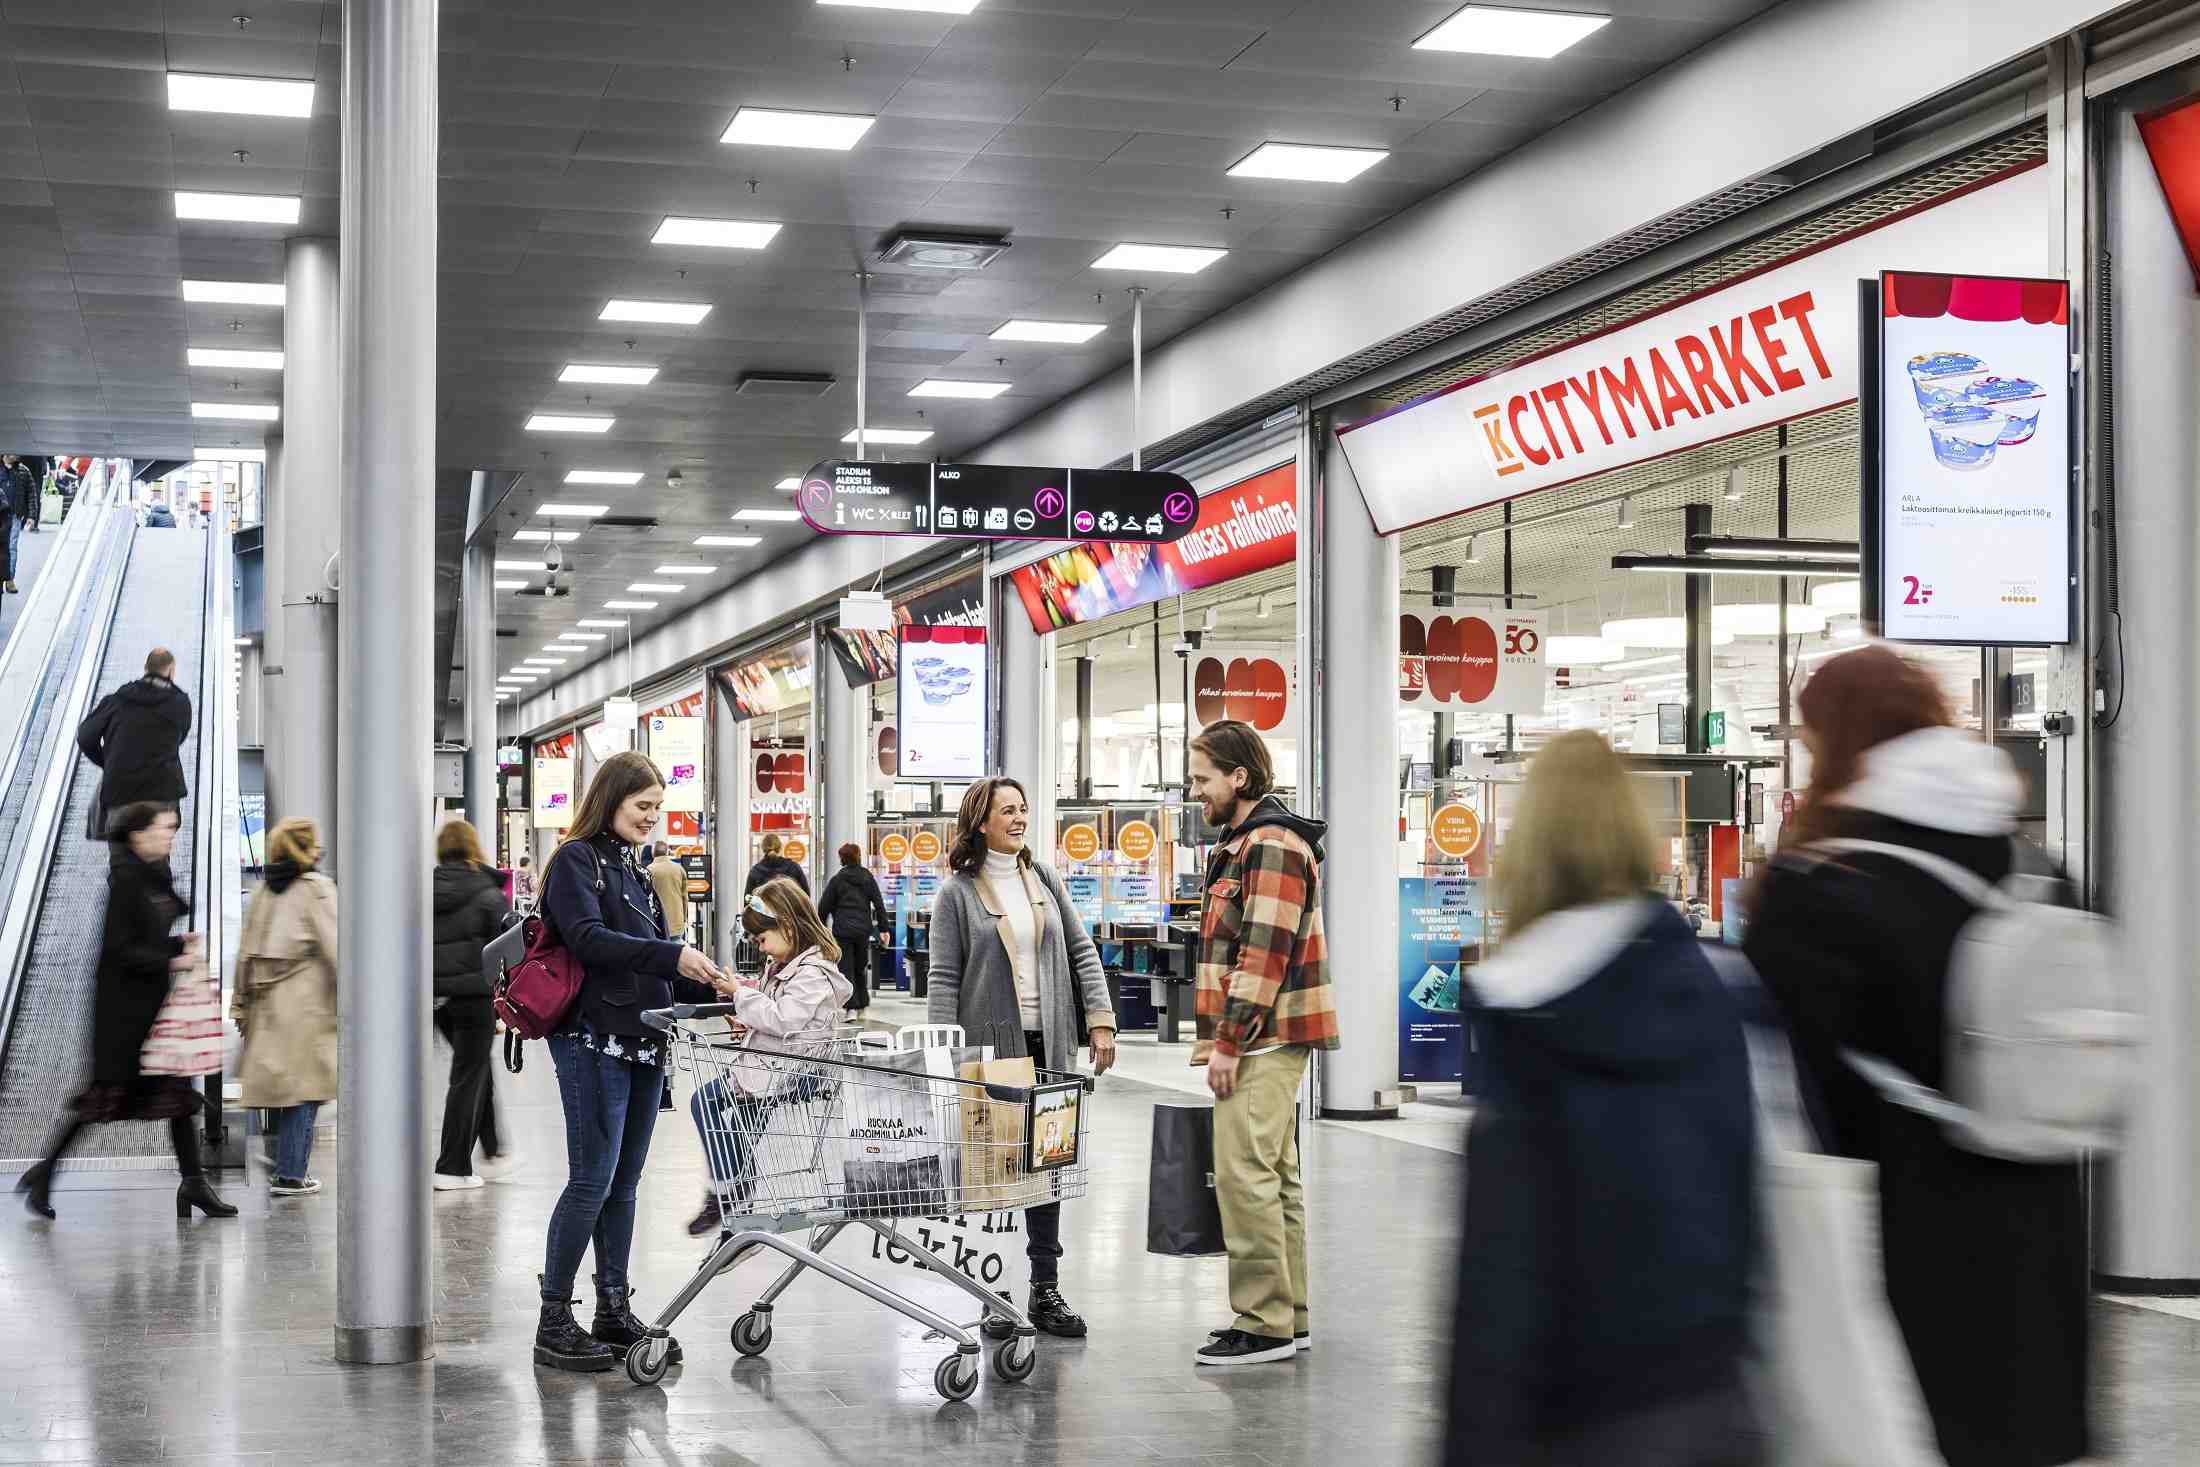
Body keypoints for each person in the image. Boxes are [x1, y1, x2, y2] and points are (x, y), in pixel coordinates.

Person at [1743, 646, 2088, 1467]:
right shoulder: (2033, 867)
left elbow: (1793, 1085)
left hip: (1888, 1236)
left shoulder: (1816, 884)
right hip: (2039, 1228)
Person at [1445, 732, 1759, 1466]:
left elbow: (1502, 1277)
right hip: (1710, 1399)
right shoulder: (1715, 990)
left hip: (1575, 1414)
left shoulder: (1526, 1012)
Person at [536, 750, 731, 1374]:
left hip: (646, 1039)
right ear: (611, 799)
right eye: (642, 805)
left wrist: (712, 987)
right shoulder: (575, 860)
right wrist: (670, 957)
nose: (652, 817)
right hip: (593, 1039)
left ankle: (613, 1309)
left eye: (657, 808)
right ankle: (554, 1318)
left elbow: (650, 954)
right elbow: (588, 940)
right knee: (592, 1178)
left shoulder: (637, 869)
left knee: (624, 1183)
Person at [928, 775, 1116, 1339]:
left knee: (1049, 1170)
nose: (1018, 818)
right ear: (980, 821)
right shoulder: (956, 893)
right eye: (1006, 810)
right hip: (991, 1055)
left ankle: (1045, 1288)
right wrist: (943, 1053)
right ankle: (994, 1293)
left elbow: (1082, 951)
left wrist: (1101, 1020)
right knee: (996, 1174)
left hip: (1050, 1046)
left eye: (1023, 809)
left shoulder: (1045, 878)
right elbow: (943, 978)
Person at [1185, 719, 1336, 1367]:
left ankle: (1263, 1320)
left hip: (1263, 1037)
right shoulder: (1243, 843)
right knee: (1275, 1175)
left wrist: (1229, 1041)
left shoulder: (1271, 844)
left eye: (1202, 778)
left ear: (1238, 776)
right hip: (1266, 1035)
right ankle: (1289, 1313)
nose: (1196, 791)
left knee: (1245, 1173)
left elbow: (1265, 953)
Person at [15, 804, 236, 1221]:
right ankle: (45, 1172)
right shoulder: (126, 883)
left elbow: (147, 940)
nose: (171, 834)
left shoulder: (154, 878)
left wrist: (177, 944)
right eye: (164, 828)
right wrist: (171, 959)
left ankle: (193, 1184)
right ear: (139, 834)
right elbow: (120, 951)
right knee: (103, 1103)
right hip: (125, 1020)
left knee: (177, 1101)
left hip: (152, 1014)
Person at [684, 876, 850, 1242]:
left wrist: (742, 999)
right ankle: (735, 1206)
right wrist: (743, 1002)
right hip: (774, 1066)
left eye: (763, 939)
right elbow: (775, 1010)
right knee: (740, 1128)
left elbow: (785, 1019)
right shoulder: (788, 967)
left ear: (788, 926)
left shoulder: (813, 973)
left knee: (706, 1103)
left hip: (792, 1071)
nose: (761, 949)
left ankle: (730, 1195)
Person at [232, 817, 339, 1197]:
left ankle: (283, 1163)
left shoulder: (263, 892)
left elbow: (244, 954)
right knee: (305, 1091)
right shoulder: (315, 889)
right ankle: (292, 1173)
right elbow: (336, 949)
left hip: (268, 1005)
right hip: (305, 1006)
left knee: (282, 1087)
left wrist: (240, 1005)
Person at [432, 818, 517, 1190]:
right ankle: (452, 1167)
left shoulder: (426, 888)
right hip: (476, 997)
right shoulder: (487, 893)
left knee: (476, 1067)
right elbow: (507, 950)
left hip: (439, 999)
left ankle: (494, 1149)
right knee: (468, 1075)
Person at [76, 648, 192, 843]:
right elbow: (180, 737)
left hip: (121, 794)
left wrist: (108, 761)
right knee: (156, 862)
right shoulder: (180, 703)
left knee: (121, 859)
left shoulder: (116, 701)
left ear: (146, 669)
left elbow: (85, 736)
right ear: (171, 671)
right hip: (161, 795)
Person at [816, 842, 891, 1019]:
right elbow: (879, 903)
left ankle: (851, 1008)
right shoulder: (867, 877)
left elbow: (823, 907)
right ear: (858, 857)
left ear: (842, 859)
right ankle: (862, 1003)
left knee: (846, 968)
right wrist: (883, 928)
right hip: (863, 931)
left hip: (842, 931)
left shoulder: (837, 880)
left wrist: (819, 929)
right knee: (860, 967)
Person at [1, 453, 35, 594]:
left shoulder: (24, 471)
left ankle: (9, 579)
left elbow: (31, 493)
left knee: (11, 547)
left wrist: (32, 516)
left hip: (14, 515)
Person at [645, 844, 690, 942]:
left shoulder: (648, 870)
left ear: (653, 853)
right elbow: (685, 897)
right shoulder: (679, 869)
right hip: (676, 922)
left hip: (657, 923)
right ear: (667, 852)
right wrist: (684, 918)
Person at [743, 832, 808, 896]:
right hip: (789, 906)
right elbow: (806, 894)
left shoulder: (755, 871)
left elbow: (748, 900)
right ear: (780, 848)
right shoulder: (794, 867)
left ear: (763, 849)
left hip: (764, 906)